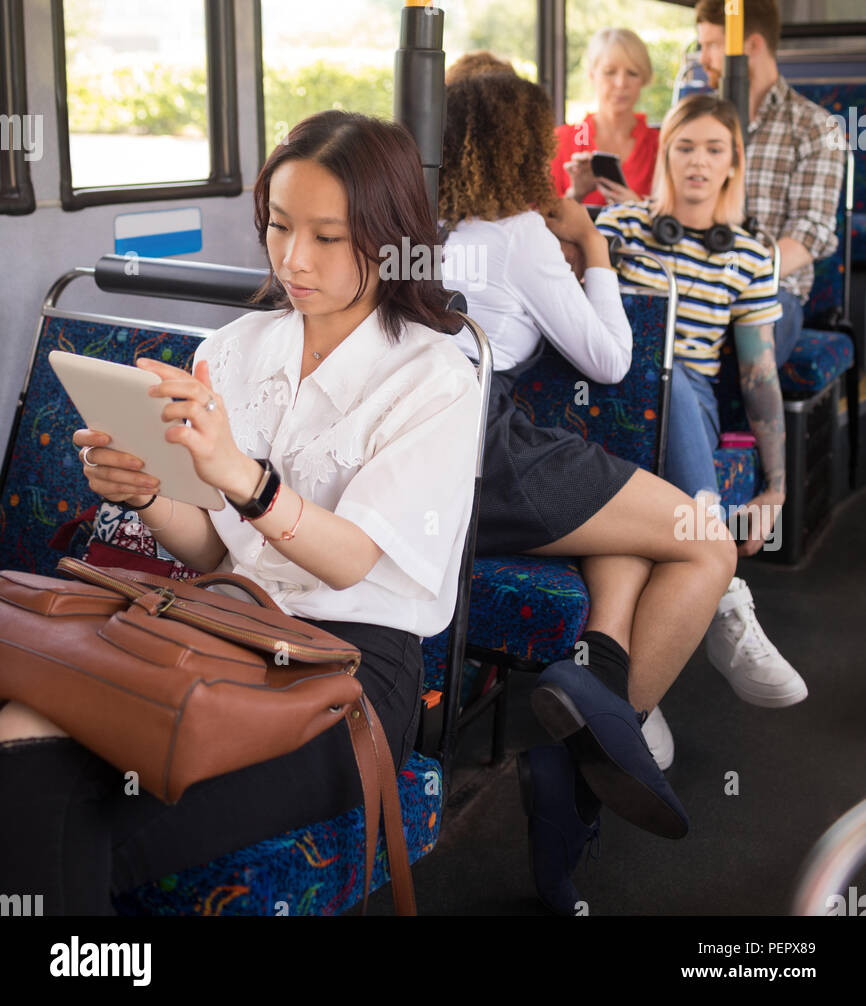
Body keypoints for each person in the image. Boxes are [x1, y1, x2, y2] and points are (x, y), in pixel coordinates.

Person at [0, 110, 481, 916]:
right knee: (20, 737)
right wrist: (148, 494)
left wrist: (245, 478)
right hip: (221, 623)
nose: (294, 259)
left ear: (391, 236)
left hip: (347, 669)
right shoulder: (233, 350)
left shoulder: (434, 380)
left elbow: (351, 560)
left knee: (72, 827)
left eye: (328, 237)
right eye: (280, 226)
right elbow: (211, 556)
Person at [440, 71, 737, 917]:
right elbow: (610, 358)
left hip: (433, 462)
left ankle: (598, 666)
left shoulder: (420, 223)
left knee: (623, 529)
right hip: (491, 458)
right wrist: (592, 248)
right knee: (704, 540)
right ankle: (587, 755)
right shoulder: (519, 234)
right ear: (525, 151)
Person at [596, 94, 807, 710]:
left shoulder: (747, 256)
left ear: (733, 164)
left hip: (689, 402)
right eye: (685, 146)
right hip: (614, 399)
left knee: (678, 372)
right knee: (646, 356)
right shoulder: (619, 230)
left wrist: (775, 485)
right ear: (665, 156)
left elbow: (760, 376)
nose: (698, 161)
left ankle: (637, 692)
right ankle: (717, 602)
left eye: (714, 149)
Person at [696, 0, 846, 367]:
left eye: (713, 46)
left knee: (747, 334)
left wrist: (739, 273)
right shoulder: (702, 122)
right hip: (696, 272)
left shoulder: (817, 126)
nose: (703, 59)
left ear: (751, 45)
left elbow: (810, 232)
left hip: (773, 287)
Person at [551, 27, 660, 207]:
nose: (621, 83)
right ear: (592, 74)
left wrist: (637, 207)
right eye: (610, 72)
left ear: (644, 79)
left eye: (632, 73)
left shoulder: (660, 147)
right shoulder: (560, 140)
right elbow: (538, 223)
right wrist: (575, 194)